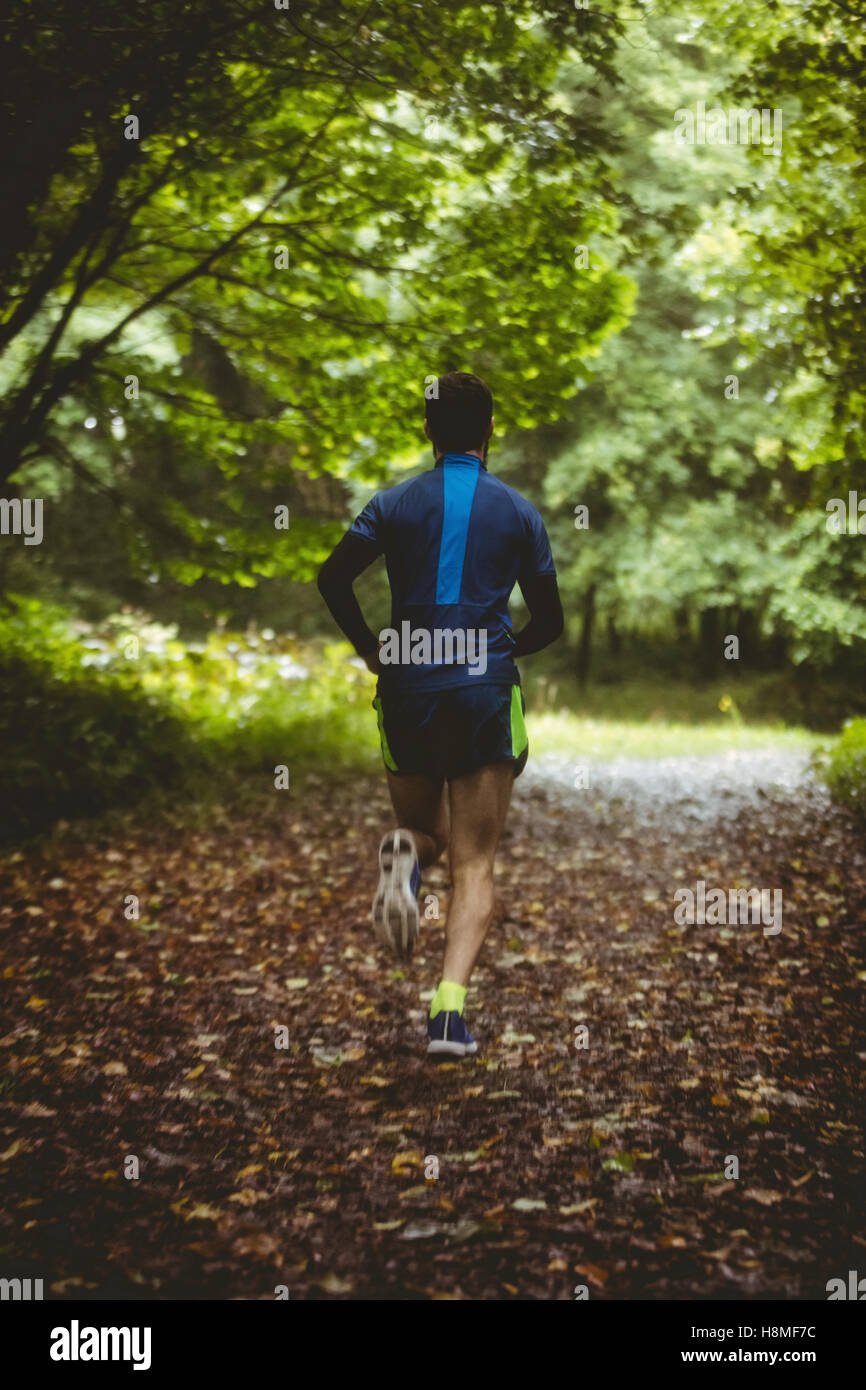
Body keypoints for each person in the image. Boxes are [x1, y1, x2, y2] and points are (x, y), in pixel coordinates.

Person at [317, 372, 563, 1056]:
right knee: (476, 860)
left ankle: (403, 858)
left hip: (408, 687)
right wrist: (498, 644)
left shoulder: (391, 504)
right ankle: (448, 1014)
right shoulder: (519, 512)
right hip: (483, 689)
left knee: (421, 829)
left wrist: (373, 647)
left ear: (427, 429)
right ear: (490, 431)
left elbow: (332, 577)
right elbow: (549, 621)